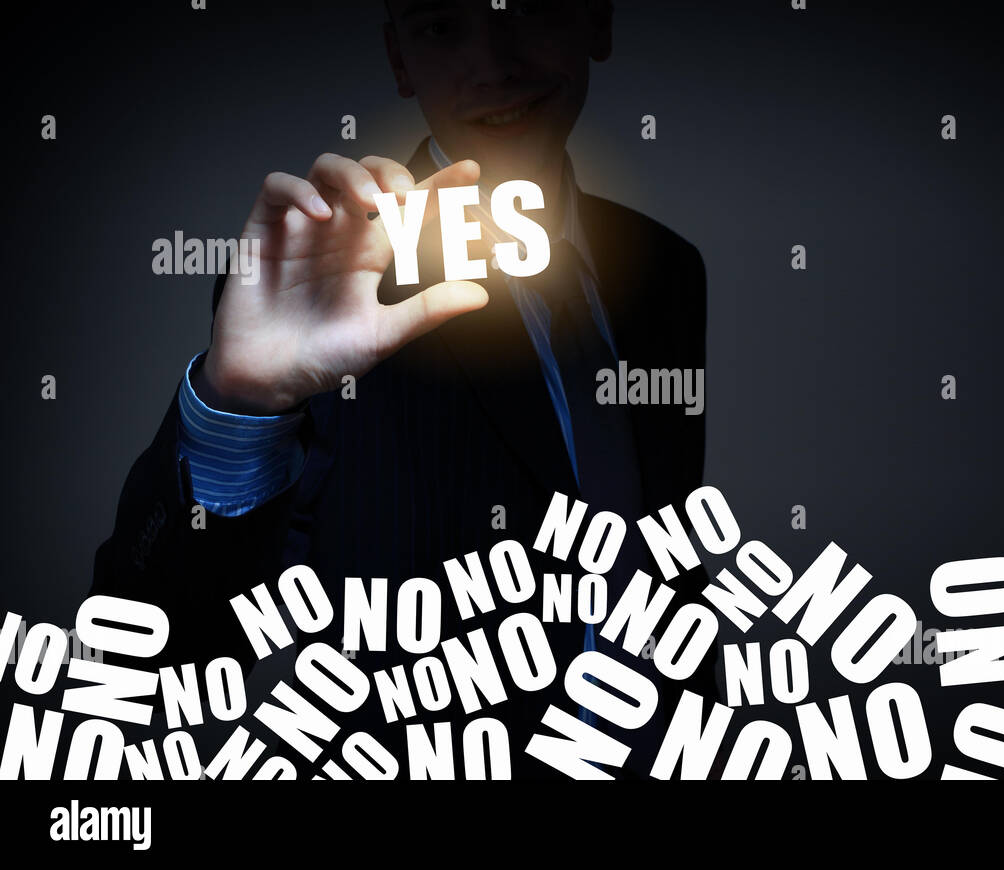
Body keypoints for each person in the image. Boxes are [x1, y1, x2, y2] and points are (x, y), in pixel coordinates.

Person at [90, 0, 713, 779]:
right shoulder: (316, 288)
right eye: (443, 26)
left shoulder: (666, 271)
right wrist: (241, 407)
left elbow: (663, 551)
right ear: (399, 59)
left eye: (531, 7)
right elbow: (152, 648)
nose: (496, 62)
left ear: (596, 20)